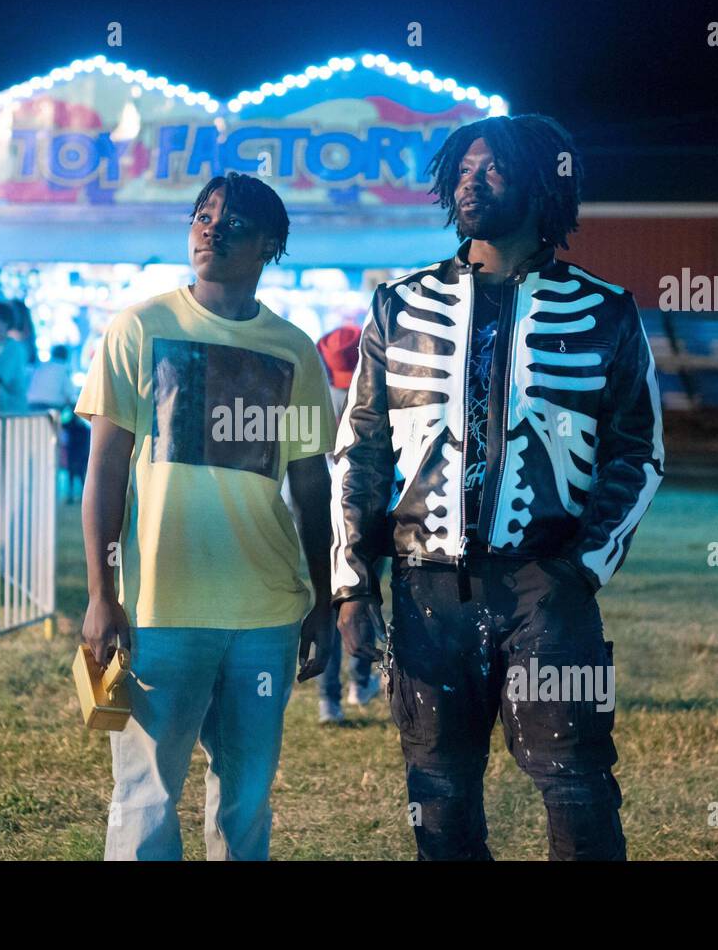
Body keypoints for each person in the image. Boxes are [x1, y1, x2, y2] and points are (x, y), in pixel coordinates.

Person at [332, 115, 665, 860]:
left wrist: (581, 569)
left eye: (492, 169)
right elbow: (361, 451)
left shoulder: (606, 310)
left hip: (548, 585)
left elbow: (637, 454)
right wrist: (353, 583)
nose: (470, 183)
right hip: (425, 586)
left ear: (541, 184)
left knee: (577, 782)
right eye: (462, 169)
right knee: (438, 791)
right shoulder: (398, 304)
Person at [76, 171, 337, 861]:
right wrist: (101, 595)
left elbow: (312, 484)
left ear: (269, 246)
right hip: (161, 608)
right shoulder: (139, 329)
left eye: (234, 223)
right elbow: (104, 471)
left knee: (248, 798)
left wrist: (325, 599)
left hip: (267, 613)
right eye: (203, 215)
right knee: (145, 797)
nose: (212, 230)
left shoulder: (294, 349)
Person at [315, 324, 381, 723]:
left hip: (323, 516)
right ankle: (359, 682)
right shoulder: (375, 394)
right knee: (364, 594)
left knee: (328, 604)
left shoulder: (311, 394)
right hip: (364, 516)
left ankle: (330, 700)